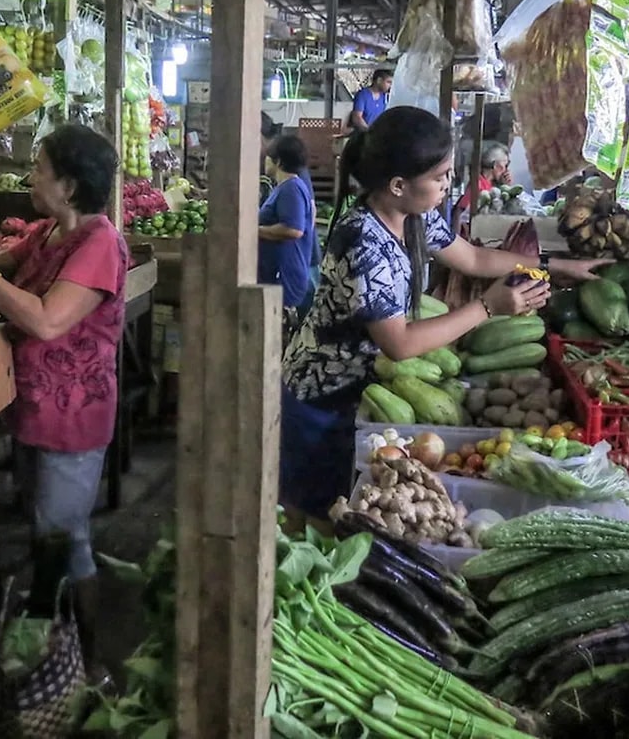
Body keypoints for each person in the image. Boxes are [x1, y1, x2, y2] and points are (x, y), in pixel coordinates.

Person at [281, 107, 608, 521]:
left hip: (360, 395)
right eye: (440, 177)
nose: (448, 184)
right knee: (314, 518)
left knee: (343, 510)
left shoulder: (413, 216)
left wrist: (550, 267)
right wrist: (488, 307)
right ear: (399, 184)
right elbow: (398, 343)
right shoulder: (362, 239)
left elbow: (471, 257)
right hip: (320, 399)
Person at [0, 125, 127, 674]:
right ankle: (58, 655)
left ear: (71, 185)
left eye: (41, 168)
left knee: (65, 538)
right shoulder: (50, 233)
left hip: (73, 413)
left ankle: (90, 660)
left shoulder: (100, 243)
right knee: (44, 529)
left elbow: (46, 319)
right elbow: (5, 271)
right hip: (36, 407)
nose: (31, 177)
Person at [259, 135, 318, 324]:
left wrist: (255, 230)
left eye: (268, 156)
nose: (264, 160)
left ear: (278, 161)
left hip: (285, 276)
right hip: (279, 273)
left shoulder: (291, 188)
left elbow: (294, 229)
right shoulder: (286, 187)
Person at [452, 140, 511, 233]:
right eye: (505, 165)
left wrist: (506, 187)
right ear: (496, 166)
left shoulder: (491, 184)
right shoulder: (478, 184)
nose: (506, 171)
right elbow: (459, 211)